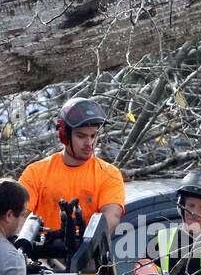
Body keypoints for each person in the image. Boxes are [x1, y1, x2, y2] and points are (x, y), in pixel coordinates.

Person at [18, 97, 126, 238]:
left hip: (88, 257)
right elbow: (18, 217)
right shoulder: (36, 172)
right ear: (64, 136)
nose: (90, 143)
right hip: (42, 256)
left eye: (94, 135)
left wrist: (86, 247)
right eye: (81, 136)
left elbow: (111, 217)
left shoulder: (109, 174)